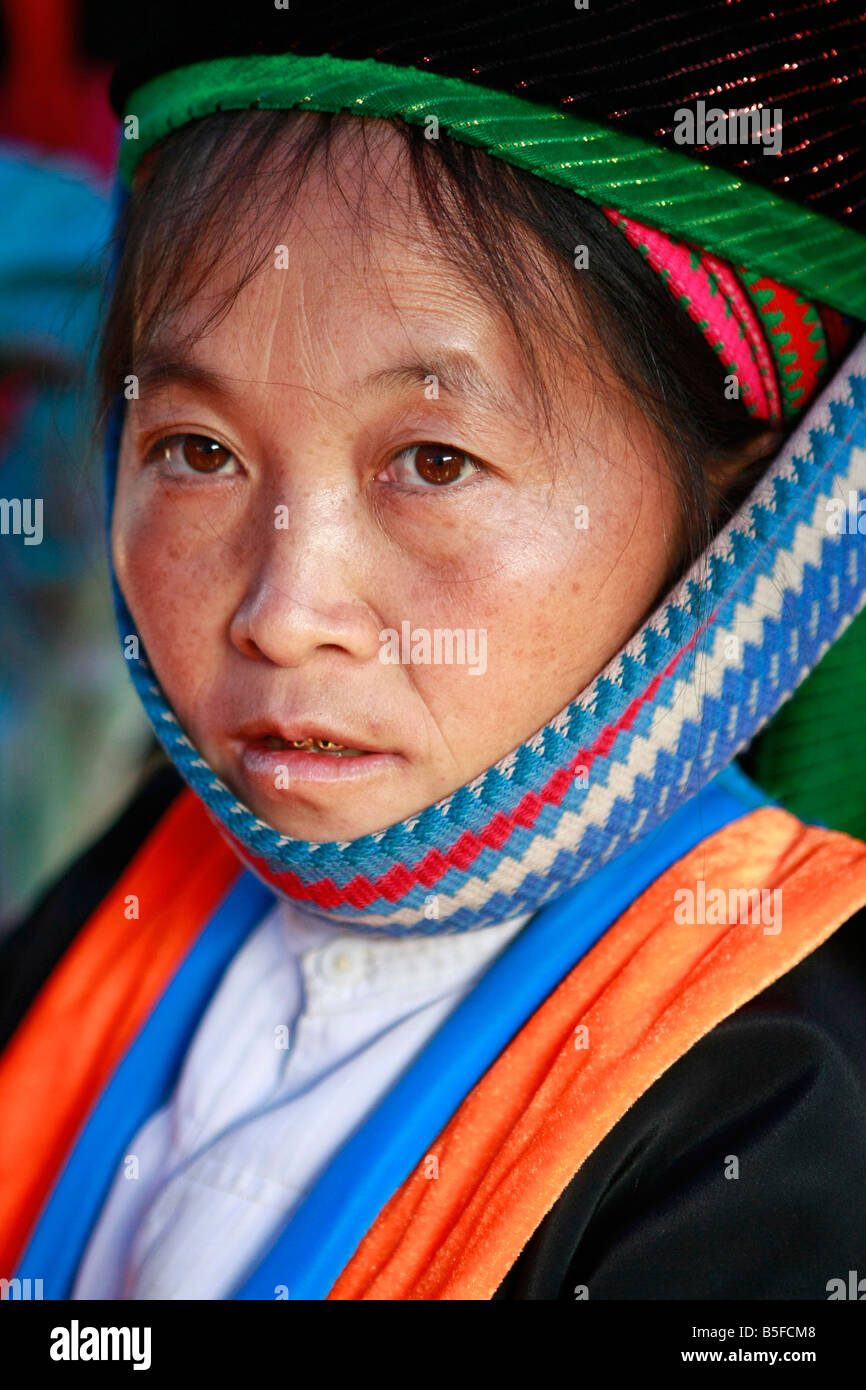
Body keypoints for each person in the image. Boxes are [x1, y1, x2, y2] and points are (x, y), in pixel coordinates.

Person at [2, 1, 866, 1301]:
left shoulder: (774, 1098)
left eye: (434, 461)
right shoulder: (145, 871)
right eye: (198, 451)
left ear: (750, 499)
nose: (285, 613)